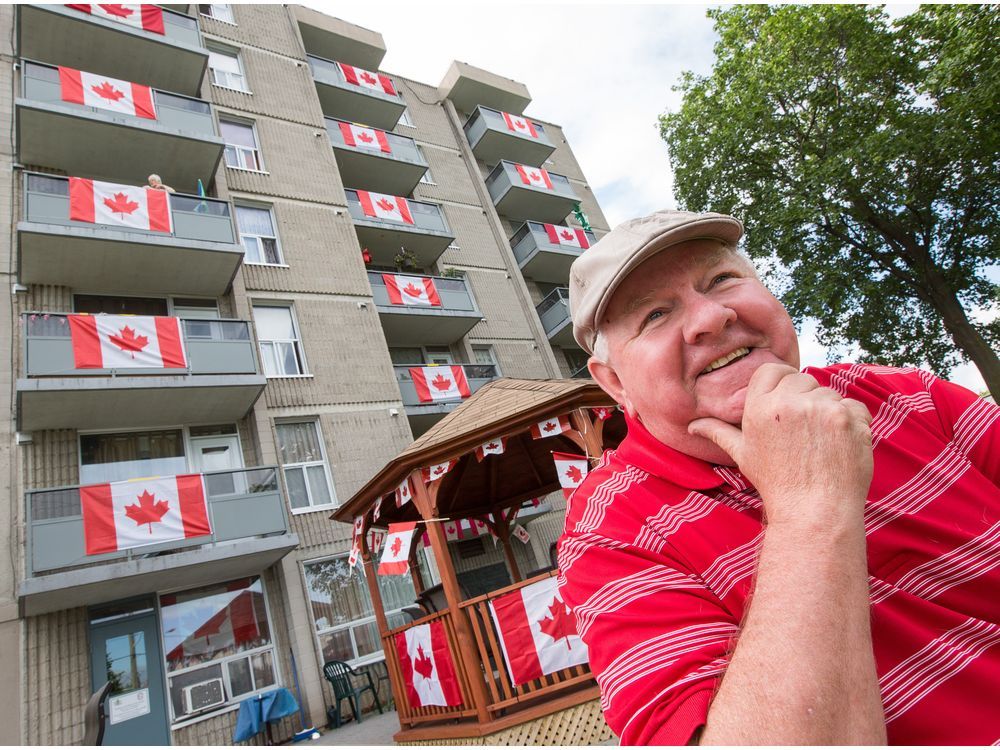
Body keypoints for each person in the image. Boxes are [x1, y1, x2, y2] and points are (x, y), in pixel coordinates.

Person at [557, 209, 1000, 745]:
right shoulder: (610, 534)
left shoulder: (906, 396)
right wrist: (810, 505)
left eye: (721, 279)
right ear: (615, 384)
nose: (712, 317)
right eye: (654, 315)